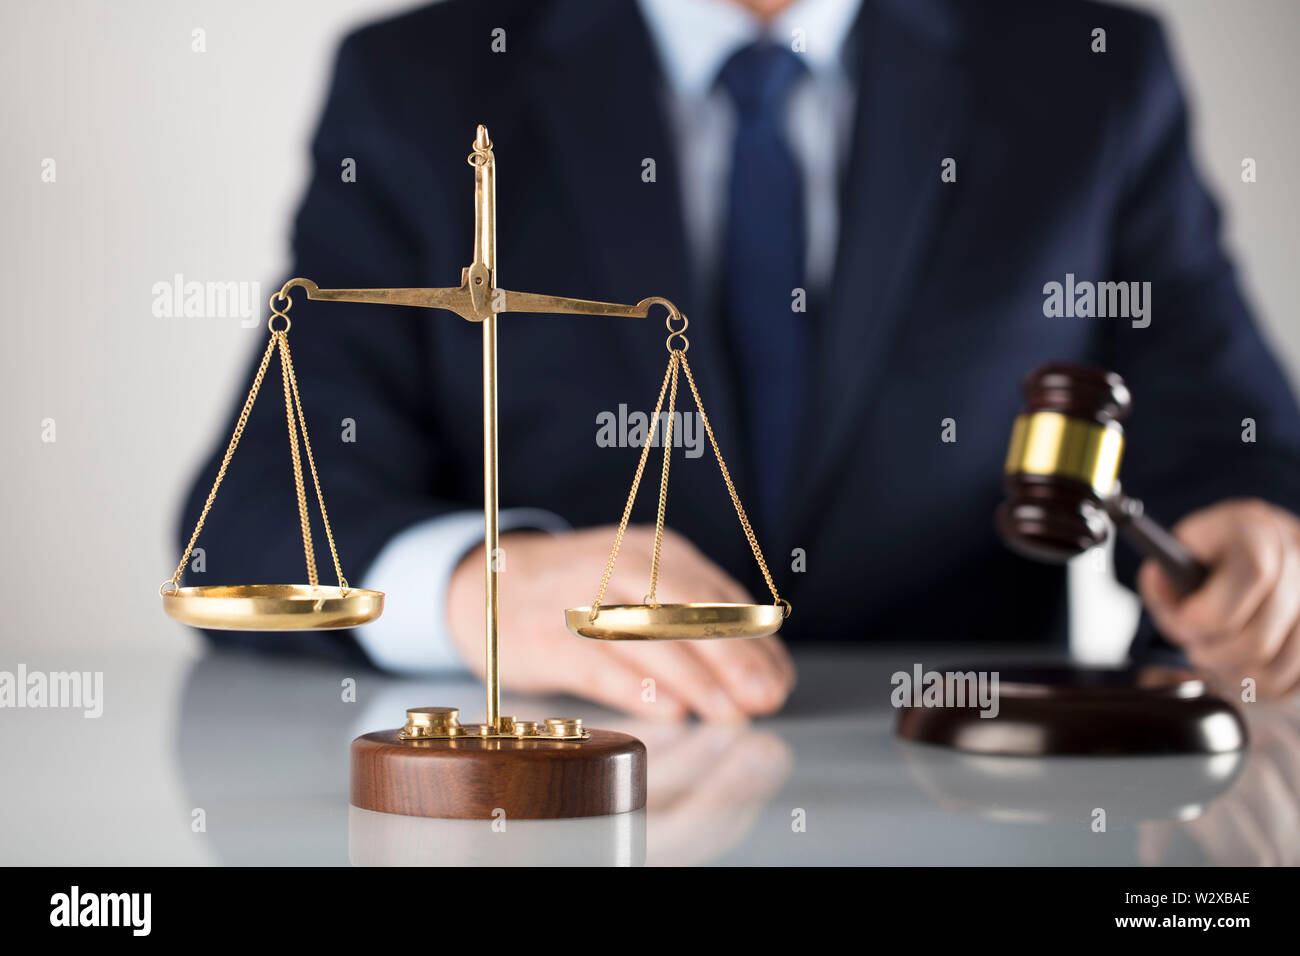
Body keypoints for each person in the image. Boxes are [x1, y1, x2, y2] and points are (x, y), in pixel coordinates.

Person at [180, 0, 1300, 718]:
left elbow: (1235, 439)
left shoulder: (1086, 75)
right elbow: (252, 512)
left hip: (960, 790)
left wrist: (1250, 544)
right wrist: (479, 588)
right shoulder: (420, 81)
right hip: (574, 796)